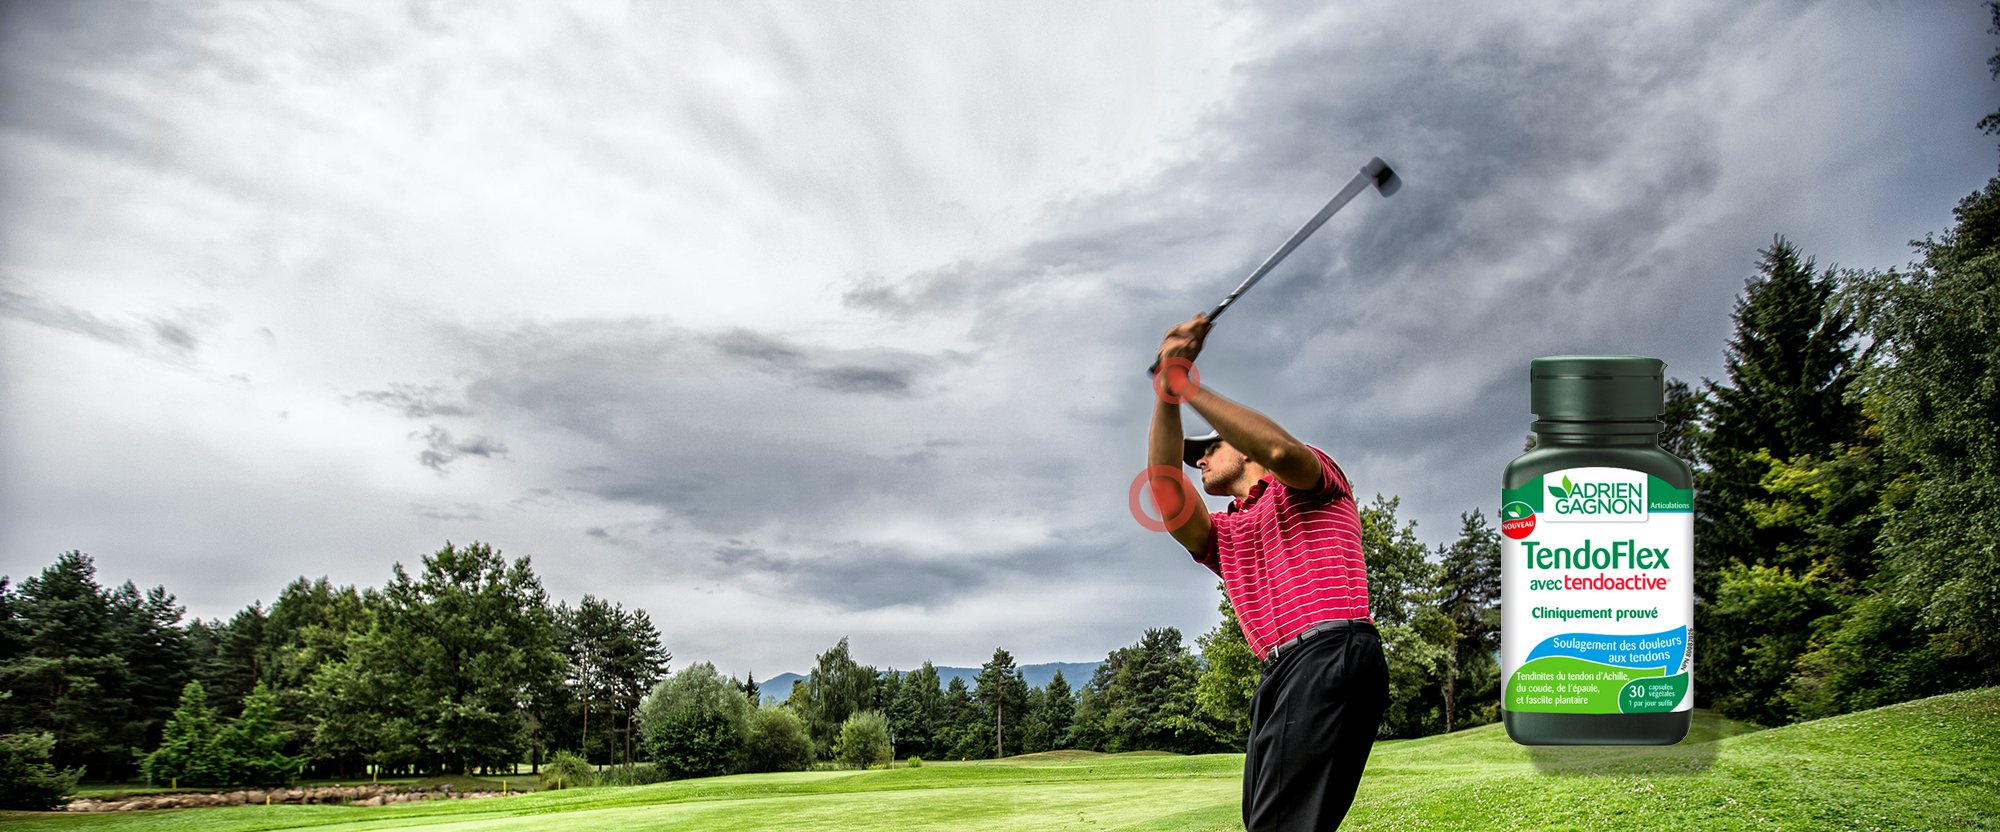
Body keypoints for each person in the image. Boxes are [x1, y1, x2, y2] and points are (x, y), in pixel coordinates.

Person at [1145, 313, 1388, 831]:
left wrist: (1187, 382)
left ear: (1243, 446)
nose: (1200, 461)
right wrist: (1166, 395)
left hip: (1328, 653)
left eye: (1210, 447)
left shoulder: (1308, 479)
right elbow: (1167, 498)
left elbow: (1278, 450)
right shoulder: (1224, 535)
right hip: (1281, 673)